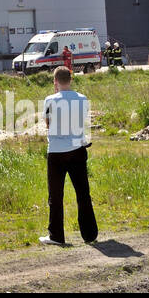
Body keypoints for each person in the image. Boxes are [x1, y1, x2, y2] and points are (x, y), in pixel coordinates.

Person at [40, 66, 98, 246]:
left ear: (55, 81)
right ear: (71, 80)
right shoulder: (83, 99)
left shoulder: (50, 99)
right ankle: (89, 234)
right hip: (77, 150)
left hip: (56, 151)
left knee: (56, 195)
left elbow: (48, 124)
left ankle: (56, 235)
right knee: (83, 193)